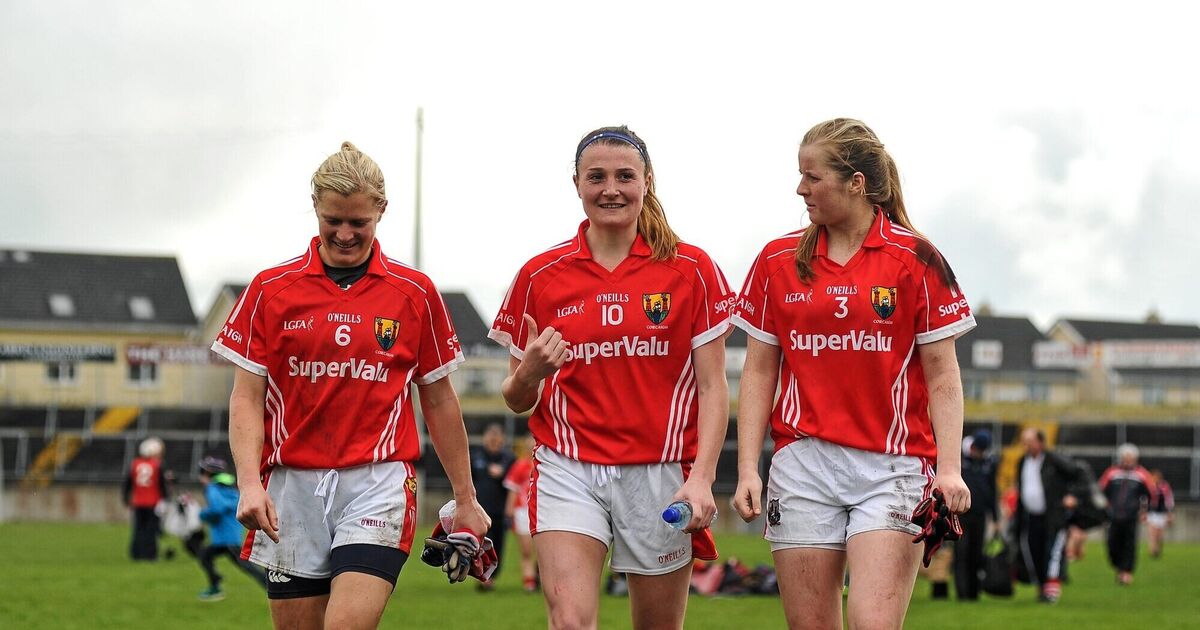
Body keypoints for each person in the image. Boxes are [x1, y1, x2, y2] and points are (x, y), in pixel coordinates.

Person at [211, 141, 489, 629]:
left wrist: (465, 498)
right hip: (292, 487)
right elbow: (247, 397)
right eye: (332, 220)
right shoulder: (270, 290)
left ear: (381, 210)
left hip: (378, 483)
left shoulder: (414, 293)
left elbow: (440, 401)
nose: (344, 234)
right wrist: (250, 484)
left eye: (358, 222)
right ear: (314, 208)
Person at [730, 117, 975, 630]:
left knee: (873, 622)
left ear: (856, 183)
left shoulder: (917, 258)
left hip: (893, 468)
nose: (801, 189)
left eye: (812, 177)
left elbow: (943, 376)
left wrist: (949, 468)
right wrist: (749, 467)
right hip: (802, 465)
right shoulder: (776, 260)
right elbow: (758, 372)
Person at [489, 125, 733, 630]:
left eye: (625, 176)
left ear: (647, 181)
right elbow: (515, 398)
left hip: (661, 472)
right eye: (596, 177)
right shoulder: (539, 275)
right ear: (576, 183)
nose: (611, 189)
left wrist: (702, 478)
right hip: (568, 468)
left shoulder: (691, 268)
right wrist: (529, 374)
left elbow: (713, 387)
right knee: (570, 622)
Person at [1013, 427, 1084, 603]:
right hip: (1031, 516)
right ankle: (1041, 586)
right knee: (1034, 552)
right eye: (1024, 442)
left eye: (1029, 442)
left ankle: (1051, 590)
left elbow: (1077, 473)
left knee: (1053, 552)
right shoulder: (1022, 462)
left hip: (1053, 516)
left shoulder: (1053, 460)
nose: (1026, 446)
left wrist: (1072, 496)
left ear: (1040, 442)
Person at [196, 455, 267, 601]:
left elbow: (217, 508)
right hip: (229, 536)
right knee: (205, 555)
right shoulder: (230, 487)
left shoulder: (212, 488)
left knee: (247, 567)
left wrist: (203, 514)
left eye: (201, 473)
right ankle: (215, 584)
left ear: (207, 474)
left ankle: (270, 588)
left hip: (225, 538)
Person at [1099, 443, 1155, 585]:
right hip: (1113, 515)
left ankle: (1126, 572)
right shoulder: (1111, 473)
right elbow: (1101, 492)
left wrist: (1145, 511)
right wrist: (1103, 508)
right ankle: (1119, 566)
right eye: (1125, 458)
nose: (1127, 461)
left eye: (1130, 458)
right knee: (1112, 543)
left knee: (1129, 544)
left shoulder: (1142, 475)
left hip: (1131, 515)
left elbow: (1151, 495)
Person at [470, 423, 515, 591]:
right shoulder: (476, 457)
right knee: (480, 545)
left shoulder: (509, 459)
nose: (494, 441)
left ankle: (492, 577)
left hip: (500, 511)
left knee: (498, 545)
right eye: (491, 437)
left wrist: (503, 474)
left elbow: (515, 484)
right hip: (480, 510)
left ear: (502, 439)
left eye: (497, 438)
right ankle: (483, 578)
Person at [955, 429, 998, 600]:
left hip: (980, 514)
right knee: (962, 552)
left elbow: (992, 490)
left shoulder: (989, 463)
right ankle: (962, 592)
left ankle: (974, 592)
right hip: (961, 514)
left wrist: (995, 517)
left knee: (976, 552)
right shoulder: (960, 459)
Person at [123, 436, 169, 561]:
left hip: (138, 502)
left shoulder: (135, 464)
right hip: (152, 502)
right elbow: (162, 485)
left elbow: (127, 483)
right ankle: (150, 554)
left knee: (138, 529)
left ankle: (136, 553)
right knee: (151, 530)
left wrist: (126, 498)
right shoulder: (157, 465)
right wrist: (165, 499)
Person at [504, 435, 538, 593]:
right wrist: (509, 511)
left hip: (542, 510)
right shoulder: (520, 465)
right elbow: (513, 489)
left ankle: (539, 576)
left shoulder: (545, 465)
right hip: (523, 511)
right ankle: (529, 581)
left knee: (543, 550)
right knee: (526, 550)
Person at [1146, 469, 1174, 558]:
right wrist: (1142, 512)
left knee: (1159, 534)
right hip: (1151, 512)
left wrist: (1170, 513)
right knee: (1152, 533)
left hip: (1162, 513)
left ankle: (1158, 549)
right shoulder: (1149, 486)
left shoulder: (1165, 487)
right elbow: (1144, 499)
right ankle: (1152, 550)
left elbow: (1169, 500)